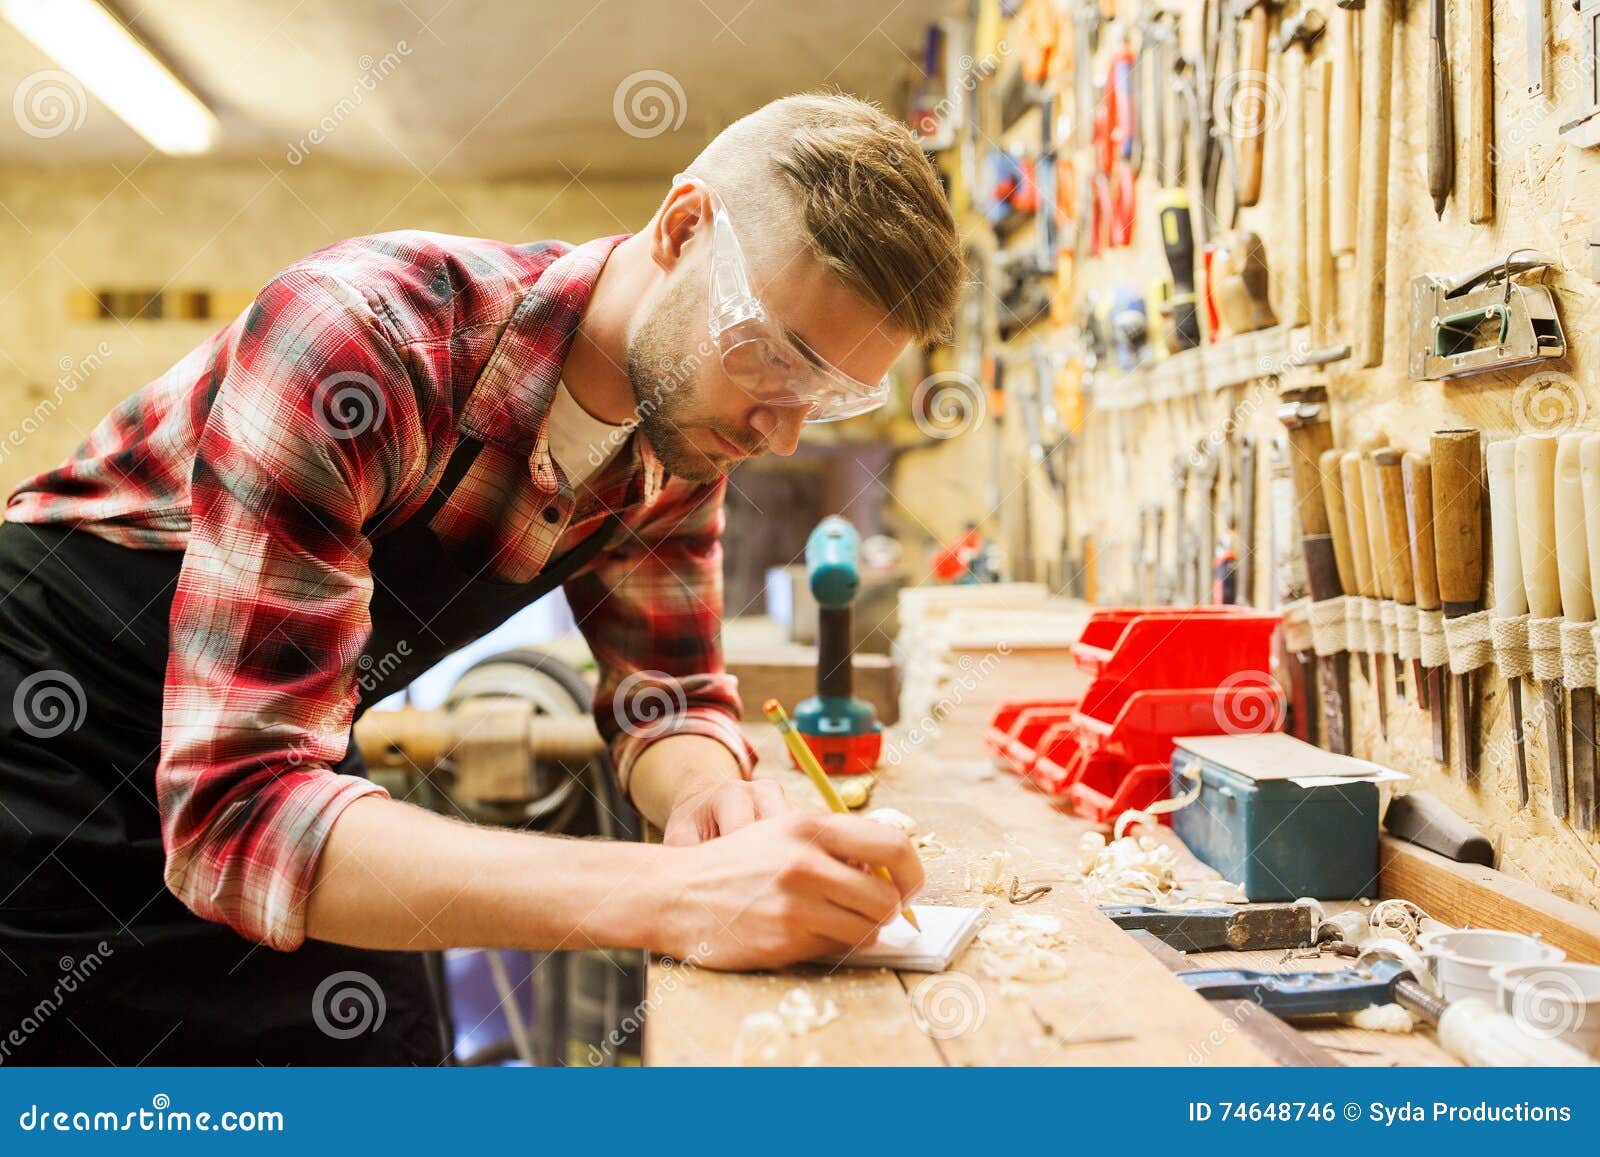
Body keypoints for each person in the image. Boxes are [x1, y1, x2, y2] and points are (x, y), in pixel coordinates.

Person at [0, 92, 963, 1064]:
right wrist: (679, 898)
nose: (781, 432)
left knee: (393, 1062)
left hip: (272, 751)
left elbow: (666, 696)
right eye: (771, 360)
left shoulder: (682, 437)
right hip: (52, 730)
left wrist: (717, 799)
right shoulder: (359, 339)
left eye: (827, 399)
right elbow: (233, 817)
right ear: (681, 227)